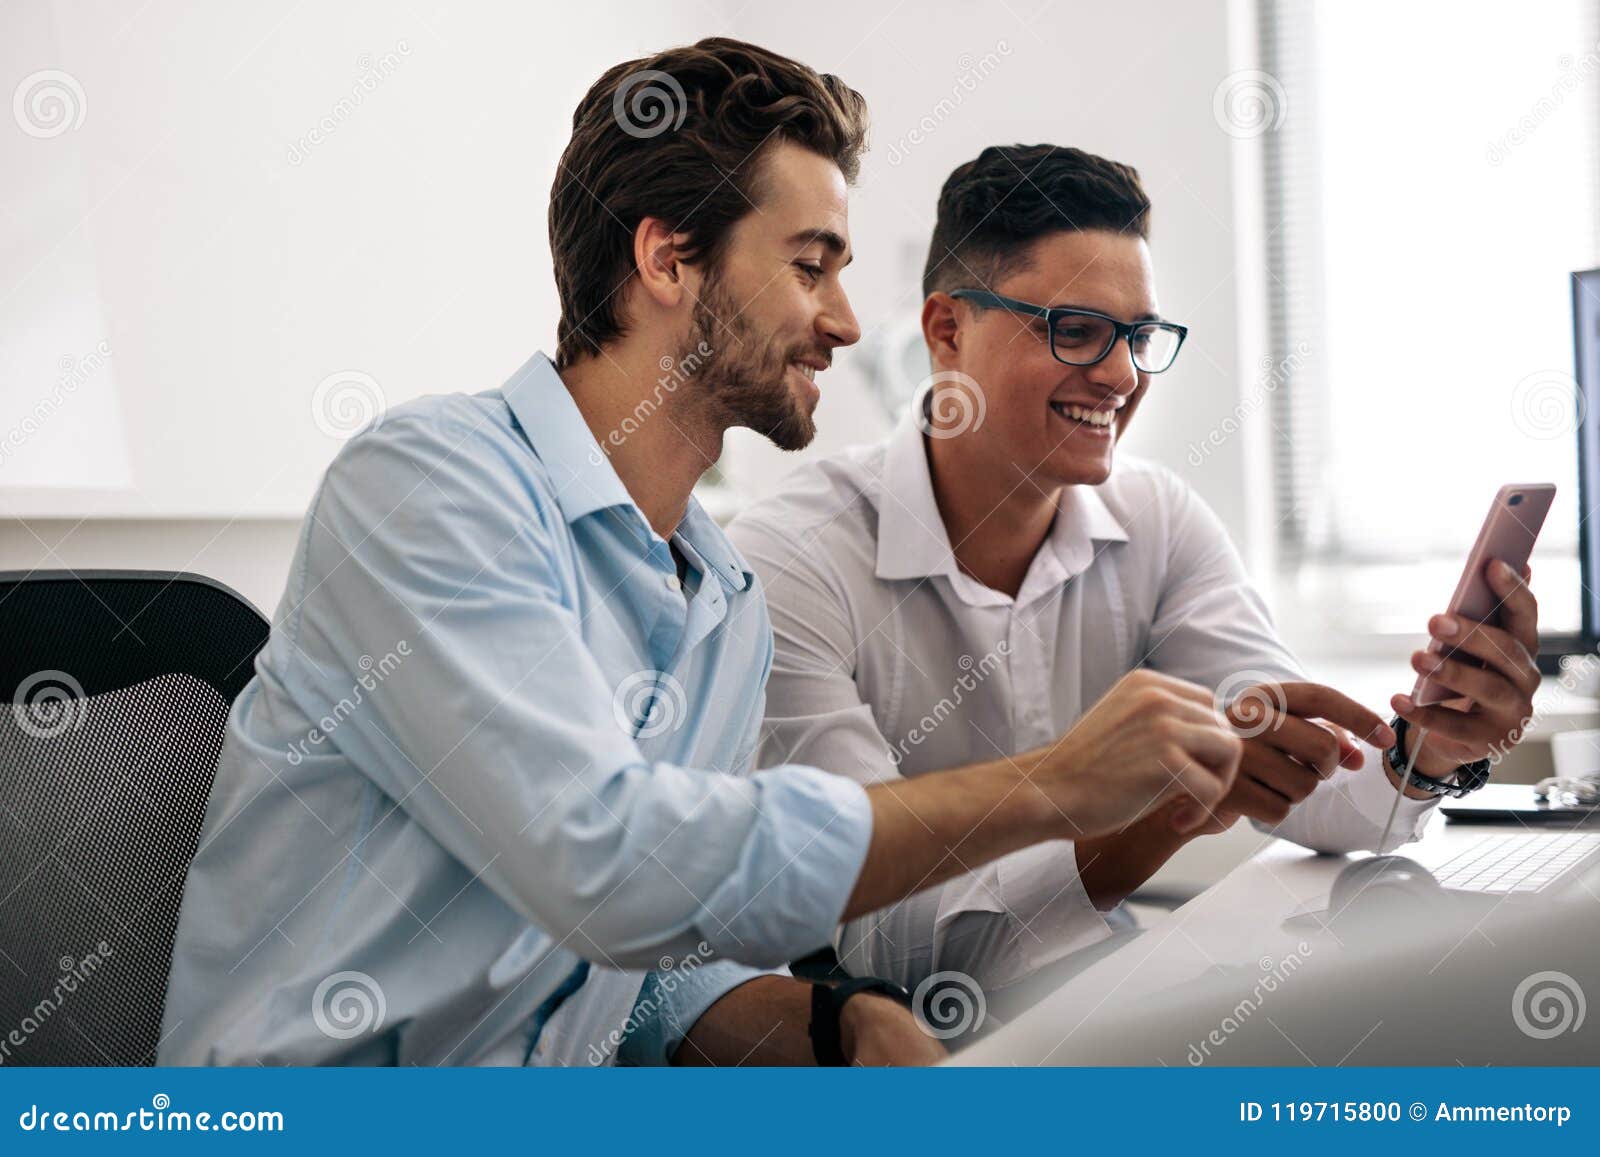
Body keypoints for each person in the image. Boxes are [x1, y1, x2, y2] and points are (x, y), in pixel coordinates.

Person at [159, 47, 1243, 1068]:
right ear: (667, 257)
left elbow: (655, 966)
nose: (848, 322)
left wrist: (834, 1023)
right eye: (811, 267)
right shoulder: (429, 486)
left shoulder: (721, 595)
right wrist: (1052, 786)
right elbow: (607, 863)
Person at [725, 143, 1543, 1000]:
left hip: (1102, 997)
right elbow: (888, 938)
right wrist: (1164, 815)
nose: (1120, 375)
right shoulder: (792, 559)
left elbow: (1322, 794)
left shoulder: (1158, 520)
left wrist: (1431, 749)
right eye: (1076, 331)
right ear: (946, 330)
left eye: (1140, 337)